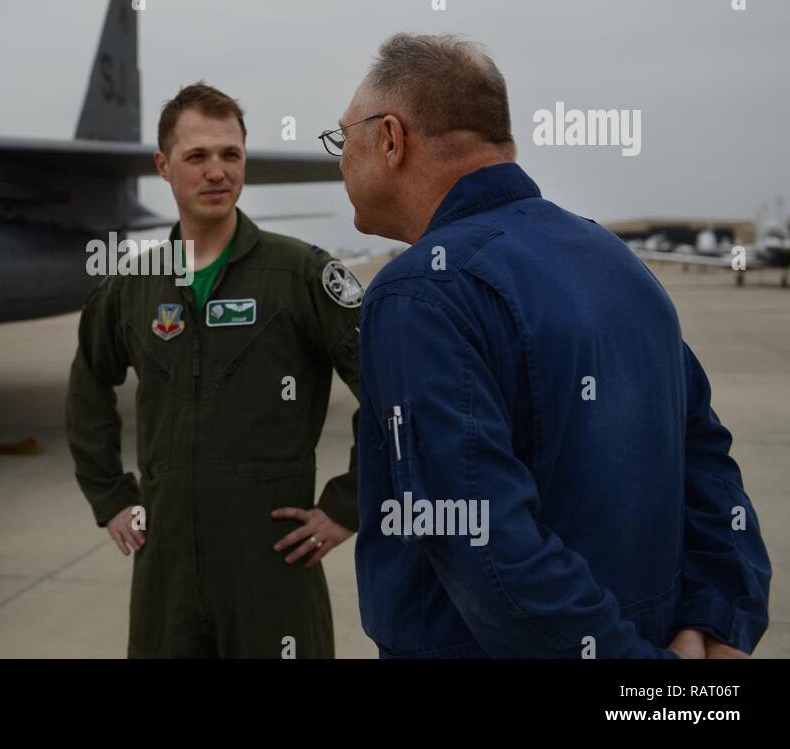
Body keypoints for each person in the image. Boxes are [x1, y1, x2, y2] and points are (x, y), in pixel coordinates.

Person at [330, 33, 771, 658]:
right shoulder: (616, 261)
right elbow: (704, 459)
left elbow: (484, 544)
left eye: (341, 138)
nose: (340, 161)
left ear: (391, 139)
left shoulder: (419, 295)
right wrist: (721, 619)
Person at [66, 82, 364, 658]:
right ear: (164, 166)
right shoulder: (133, 285)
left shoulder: (298, 274)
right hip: (166, 566)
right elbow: (88, 386)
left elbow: (389, 390)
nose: (216, 171)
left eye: (230, 154)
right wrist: (109, 496)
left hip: (273, 561)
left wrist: (348, 504)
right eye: (197, 156)